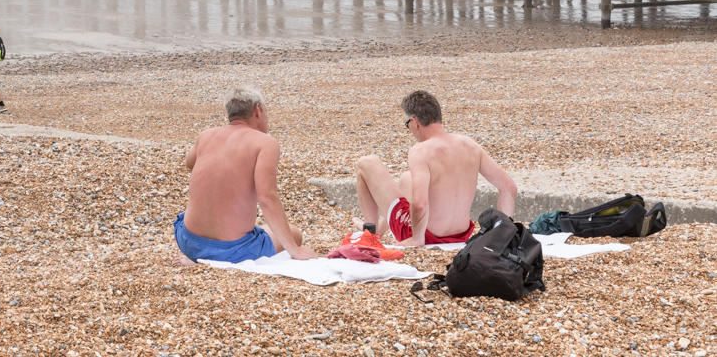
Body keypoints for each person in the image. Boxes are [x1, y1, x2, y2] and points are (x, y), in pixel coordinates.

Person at [353, 89, 518, 249]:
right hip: (461, 234)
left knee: (366, 162)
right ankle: (377, 231)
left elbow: (419, 204)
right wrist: (503, 236)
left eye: (407, 125)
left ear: (414, 122)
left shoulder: (421, 151)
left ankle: (369, 236)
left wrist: (417, 239)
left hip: (427, 236)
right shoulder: (470, 145)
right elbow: (509, 187)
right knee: (407, 178)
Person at [174, 86, 317, 264]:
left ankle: (199, 257)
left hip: (187, 241)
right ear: (257, 110)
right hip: (232, 251)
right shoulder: (265, 142)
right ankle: (212, 256)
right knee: (294, 233)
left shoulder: (206, 135)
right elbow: (267, 199)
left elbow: (190, 163)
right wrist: (295, 251)